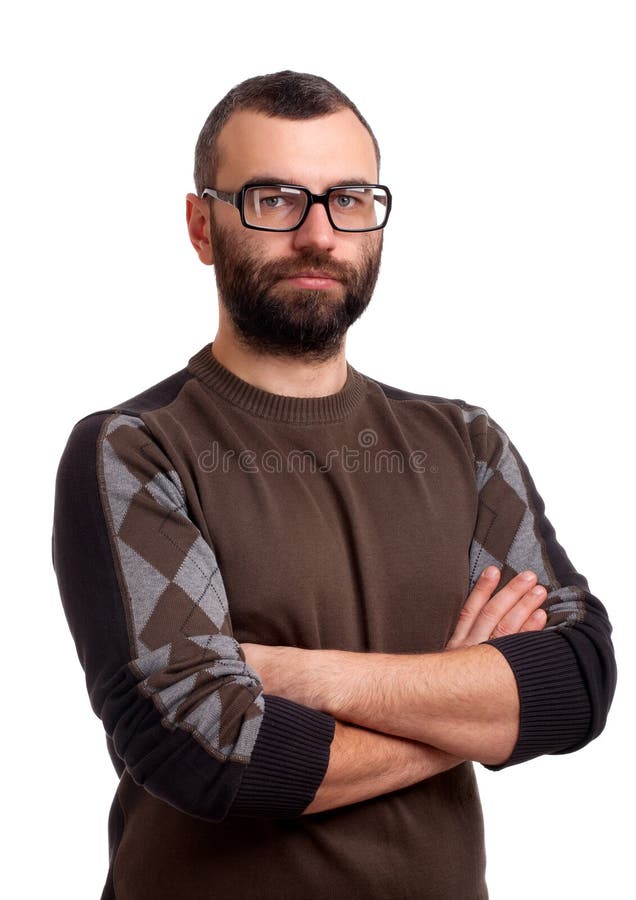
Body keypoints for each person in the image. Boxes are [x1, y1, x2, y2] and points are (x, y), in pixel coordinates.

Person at [52, 70, 616, 900]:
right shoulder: (136, 450)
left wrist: (298, 675)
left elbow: (575, 681)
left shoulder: (465, 443)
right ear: (201, 225)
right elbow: (210, 751)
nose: (318, 234)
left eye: (348, 199)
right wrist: (470, 700)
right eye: (275, 199)